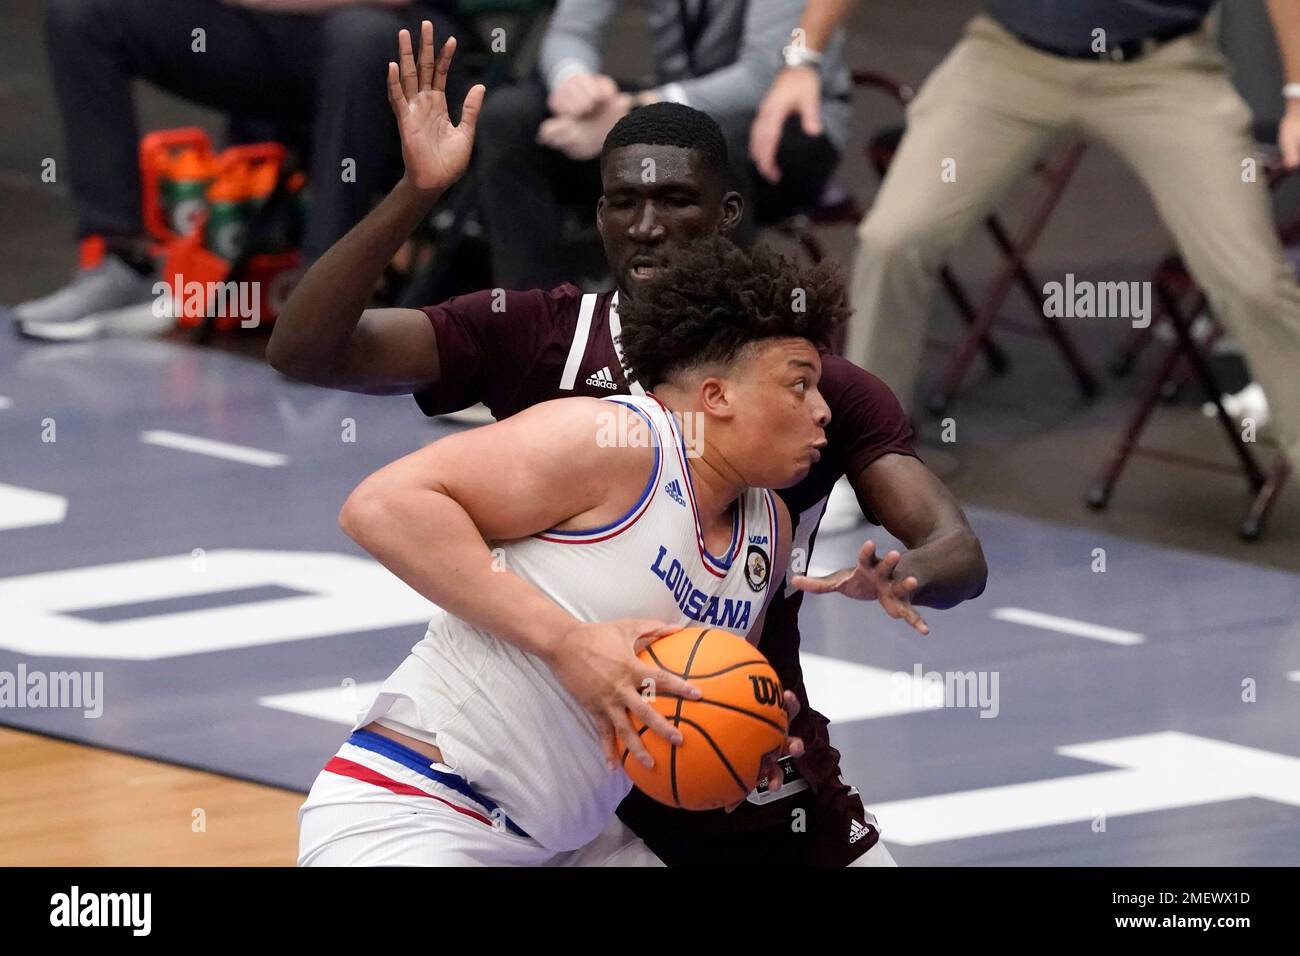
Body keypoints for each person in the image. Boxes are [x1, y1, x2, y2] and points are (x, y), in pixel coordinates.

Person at [271, 23, 987, 866]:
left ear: (726, 213)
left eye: (675, 202)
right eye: (623, 203)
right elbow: (313, 363)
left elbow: (955, 549)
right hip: (484, 777)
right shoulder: (560, 366)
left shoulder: (786, 462)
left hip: (691, 731)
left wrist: (903, 574)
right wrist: (415, 193)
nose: (647, 227)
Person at [298, 233, 832, 865]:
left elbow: (680, 705)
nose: (823, 410)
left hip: (570, 845)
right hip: (419, 806)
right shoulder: (617, 440)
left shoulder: (770, 529)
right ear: (717, 396)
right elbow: (381, 506)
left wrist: (739, 738)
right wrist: (567, 642)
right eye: (800, 386)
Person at [751, 0, 1300, 480]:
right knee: (894, 240)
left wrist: (1298, 93)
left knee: (1251, 281)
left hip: (1164, 69)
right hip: (1011, 59)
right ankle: (864, 462)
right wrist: (803, 59)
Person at [3, 0, 464, 341]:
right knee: (83, 11)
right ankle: (122, 263)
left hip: (396, 34)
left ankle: (322, 301)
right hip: (272, 31)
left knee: (360, 37)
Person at [472, 0, 853, 288]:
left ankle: (702, 349)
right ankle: (537, 330)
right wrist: (575, 84)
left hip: (787, 123)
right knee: (510, 118)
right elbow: (570, 31)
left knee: (703, 151)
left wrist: (633, 114)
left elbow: (763, 75)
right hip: (667, 106)